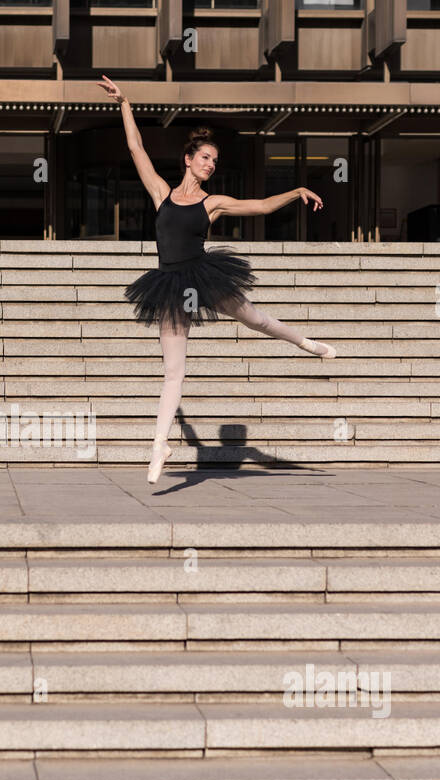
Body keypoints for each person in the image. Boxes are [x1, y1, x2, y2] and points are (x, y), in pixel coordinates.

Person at [97, 75, 338, 484]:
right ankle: (159, 444)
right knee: (174, 371)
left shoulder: (213, 203)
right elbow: (136, 147)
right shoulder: (160, 193)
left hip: (204, 277)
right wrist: (125, 103)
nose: (210, 164)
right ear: (188, 159)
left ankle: (306, 343)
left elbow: (260, 207)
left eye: (214, 160)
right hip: (171, 285)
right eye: (205, 157)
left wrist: (296, 190)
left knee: (257, 321)